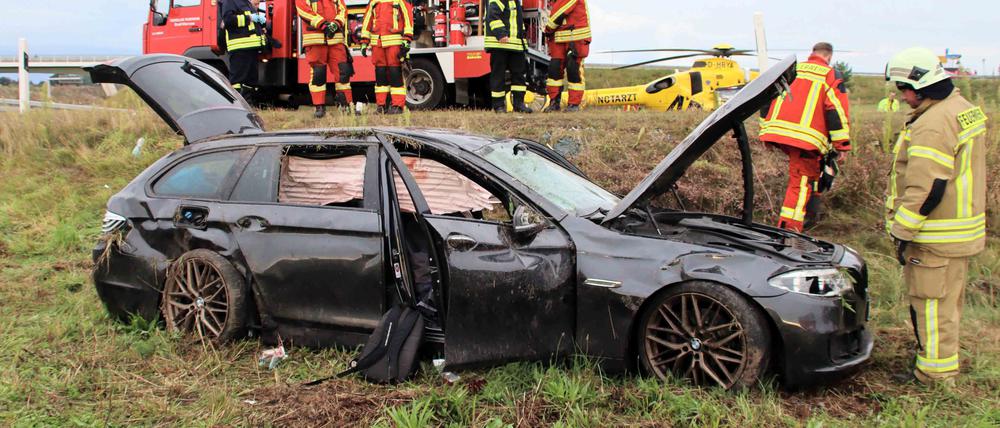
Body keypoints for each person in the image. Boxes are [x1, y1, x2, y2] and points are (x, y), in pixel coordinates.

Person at [884, 47, 987, 386]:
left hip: (935, 236)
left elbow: (928, 187)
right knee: (946, 305)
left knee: (930, 307)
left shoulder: (932, 123)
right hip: (959, 230)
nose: (902, 97)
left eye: (903, 88)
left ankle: (934, 376)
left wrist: (902, 230)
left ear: (920, 84)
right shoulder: (961, 108)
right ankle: (939, 363)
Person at [759, 42, 851, 232]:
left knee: (811, 175)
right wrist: (842, 145)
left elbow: (767, 97)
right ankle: (789, 230)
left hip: (780, 132)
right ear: (829, 57)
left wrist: (765, 130)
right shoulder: (830, 74)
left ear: (812, 53)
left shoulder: (794, 69)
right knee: (800, 183)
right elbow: (836, 111)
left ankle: (810, 216)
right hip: (806, 139)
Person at [296, 0, 354, 118]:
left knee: (343, 72)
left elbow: (342, 9)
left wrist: (336, 23)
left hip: (336, 40)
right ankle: (319, 107)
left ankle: (345, 105)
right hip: (315, 40)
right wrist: (322, 24)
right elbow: (303, 10)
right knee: (318, 74)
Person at [360, 0, 414, 114]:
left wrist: (407, 40)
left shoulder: (400, 1)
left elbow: (408, 20)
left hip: (394, 43)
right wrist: (364, 42)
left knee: (395, 75)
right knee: (380, 76)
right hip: (377, 44)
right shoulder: (373, 2)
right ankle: (381, 106)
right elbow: (366, 22)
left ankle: (398, 106)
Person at [542, 0, 591, 112]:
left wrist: (548, 29)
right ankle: (554, 102)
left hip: (576, 37)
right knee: (554, 70)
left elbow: (560, 12)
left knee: (573, 69)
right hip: (559, 38)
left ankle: (574, 104)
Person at [485, 0, 532, 113]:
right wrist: (501, 34)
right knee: (498, 76)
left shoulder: (515, 1)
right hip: (500, 44)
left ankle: (519, 104)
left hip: (515, 45)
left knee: (519, 75)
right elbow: (493, 16)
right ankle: (499, 106)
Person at [222, 0, 267, 101]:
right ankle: (236, 105)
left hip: (252, 47)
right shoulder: (230, 2)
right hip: (239, 47)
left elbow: (250, 26)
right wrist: (250, 18)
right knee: (238, 80)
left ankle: (247, 105)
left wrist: (261, 25)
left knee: (251, 80)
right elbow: (228, 20)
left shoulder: (246, 3)